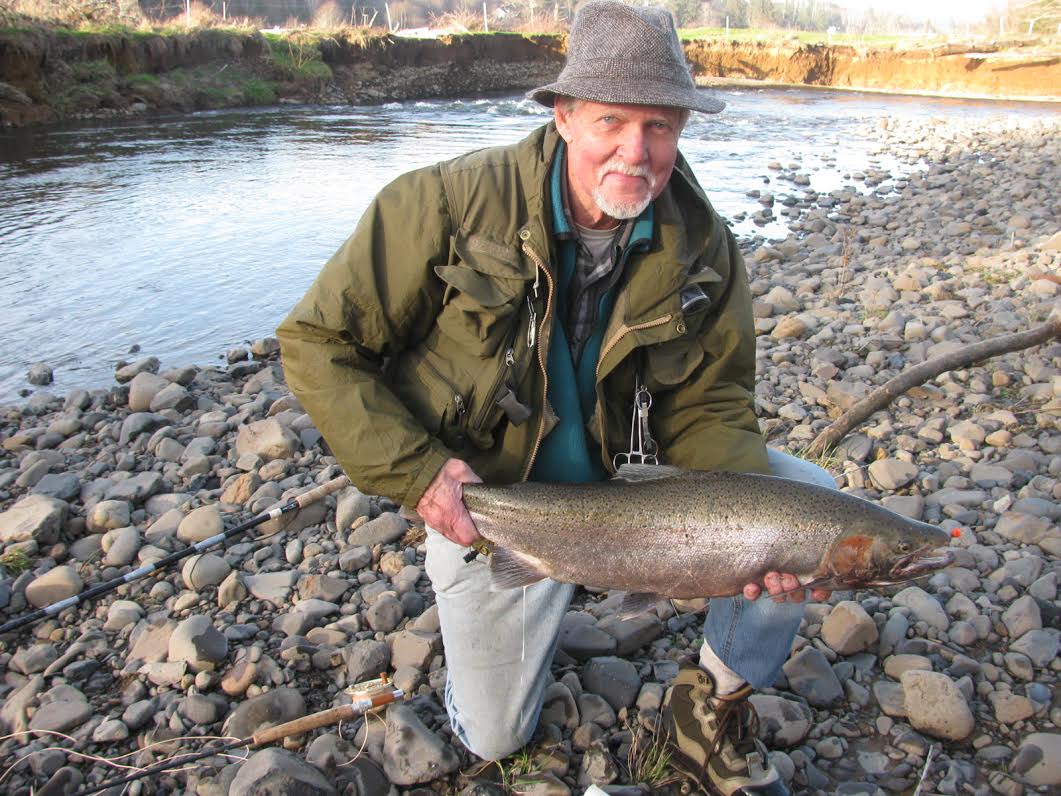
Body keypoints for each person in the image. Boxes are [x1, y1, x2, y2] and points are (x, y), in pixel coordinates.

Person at [277, 3, 836, 794]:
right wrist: (417, 475)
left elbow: (711, 407)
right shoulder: (444, 205)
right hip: (499, 504)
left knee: (805, 505)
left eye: (660, 128)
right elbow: (317, 341)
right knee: (495, 737)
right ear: (565, 116)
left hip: (632, 498)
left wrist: (754, 537)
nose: (635, 152)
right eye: (611, 120)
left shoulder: (701, 243)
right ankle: (494, 647)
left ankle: (713, 702)